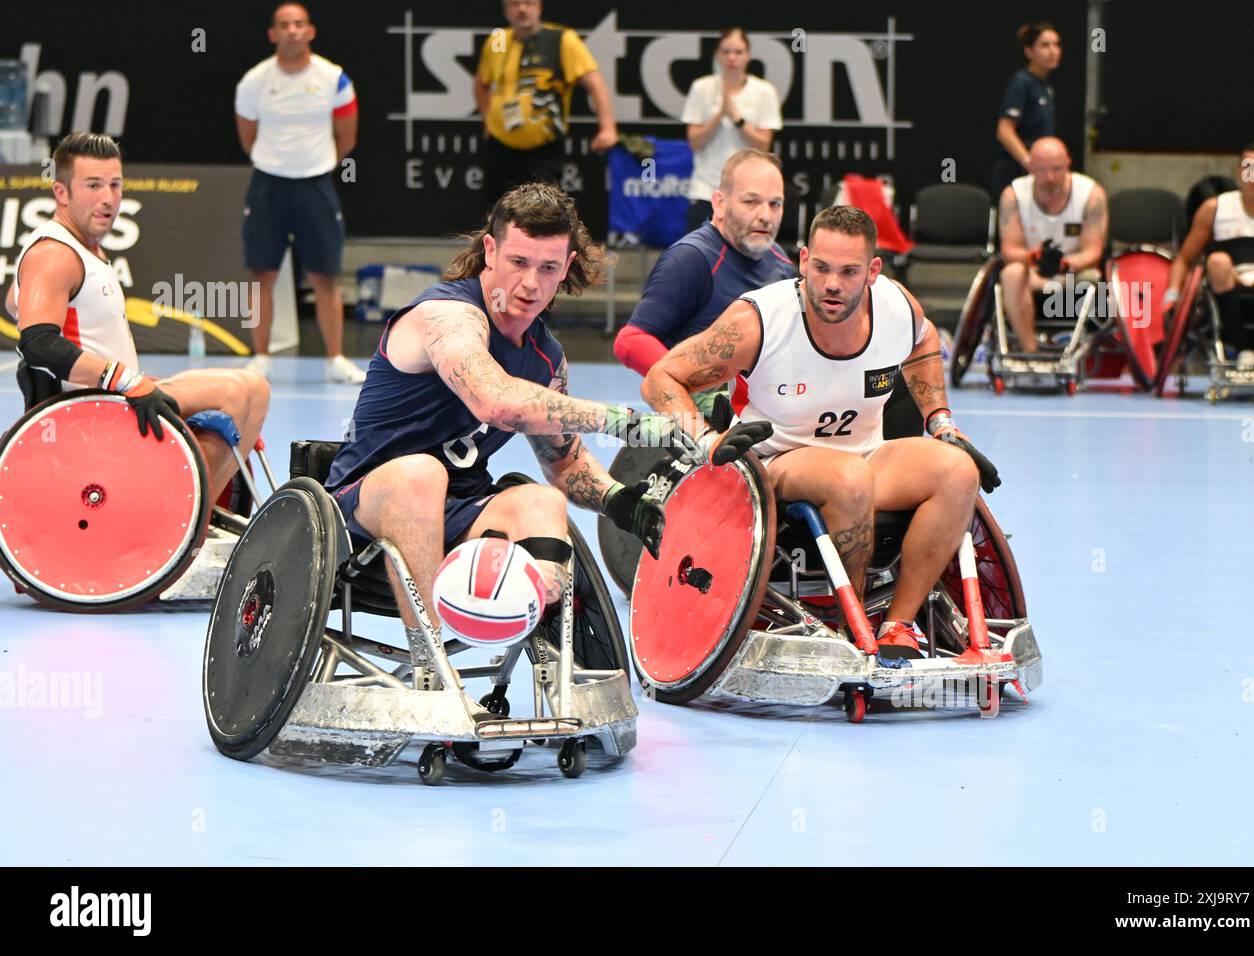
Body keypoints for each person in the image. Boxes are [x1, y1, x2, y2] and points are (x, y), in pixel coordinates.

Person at [324, 183, 760, 643]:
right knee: (421, 474)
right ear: (490, 251)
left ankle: (554, 661)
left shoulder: (547, 359)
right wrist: (627, 422)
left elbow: (566, 463)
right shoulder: (448, 316)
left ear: (566, 267)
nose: (531, 284)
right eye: (519, 262)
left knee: (542, 502)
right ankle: (430, 664)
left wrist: (620, 502)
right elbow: (495, 400)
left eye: (548, 267)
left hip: (460, 513)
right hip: (363, 511)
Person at [642, 205, 1000, 657]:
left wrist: (941, 423)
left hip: (865, 455)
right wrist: (707, 439)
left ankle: (898, 626)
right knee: (849, 479)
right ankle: (852, 626)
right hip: (774, 464)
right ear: (804, 261)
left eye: (849, 272)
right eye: (822, 268)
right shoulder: (758, 322)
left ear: (872, 271)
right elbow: (661, 378)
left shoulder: (897, 307)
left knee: (958, 471)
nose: (833, 284)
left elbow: (924, 341)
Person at [5, 133, 270, 496]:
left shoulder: (78, 247)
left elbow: (14, 302)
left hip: (112, 395)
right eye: (93, 185)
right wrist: (126, 380)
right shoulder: (54, 254)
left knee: (252, 391)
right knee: (241, 393)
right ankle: (185, 514)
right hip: (90, 411)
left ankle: (198, 505)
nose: (107, 198)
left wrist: (126, 378)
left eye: (115, 185)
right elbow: (38, 345)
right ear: (61, 193)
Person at [234, 2, 366, 384]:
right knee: (262, 273)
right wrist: (279, 163)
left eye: (298, 24)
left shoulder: (335, 78)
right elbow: (248, 138)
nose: (292, 30)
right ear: (272, 34)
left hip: (315, 187)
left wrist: (314, 164)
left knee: (325, 276)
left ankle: (335, 359)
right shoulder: (253, 81)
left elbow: (347, 138)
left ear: (310, 31)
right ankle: (261, 358)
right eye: (284, 25)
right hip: (268, 186)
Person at [612, 149, 795, 414]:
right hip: (698, 427)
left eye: (775, 204)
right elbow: (630, 341)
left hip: (761, 419)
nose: (766, 215)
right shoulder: (691, 259)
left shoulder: (782, 264)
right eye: (751, 202)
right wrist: (697, 396)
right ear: (719, 203)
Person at [1168, 141, 1254, 368]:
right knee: (1217, 261)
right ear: (1239, 172)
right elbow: (1184, 258)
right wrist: (1171, 295)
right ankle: (1241, 349)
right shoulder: (1215, 208)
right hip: (1228, 281)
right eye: (1249, 167)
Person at [474, 0, 618, 201]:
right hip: (500, 146)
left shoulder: (562, 39)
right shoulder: (498, 40)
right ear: (506, 11)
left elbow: (596, 84)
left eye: (528, 3)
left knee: (542, 210)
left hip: (544, 149)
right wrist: (488, 120)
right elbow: (481, 83)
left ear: (539, 7)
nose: (522, 9)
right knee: (497, 208)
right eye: (514, 4)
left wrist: (608, 128)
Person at [997, 137, 1108, 353]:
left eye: (1057, 169)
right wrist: (1035, 258)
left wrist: (1063, 264)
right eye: (1041, 169)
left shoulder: (1092, 194)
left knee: (1093, 279)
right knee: (1011, 273)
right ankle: (1030, 353)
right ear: (1030, 166)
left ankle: (1076, 349)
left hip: (1074, 271)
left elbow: (1093, 251)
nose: (1050, 177)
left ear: (1068, 164)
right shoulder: (1013, 195)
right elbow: (1009, 250)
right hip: (1032, 270)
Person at [680, 27, 784, 233]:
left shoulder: (765, 92)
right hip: (705, 190)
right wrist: (720, 114)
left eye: (738, 52)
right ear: (717, 55)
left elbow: (763, 144)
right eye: (726, 52)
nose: (732, 57)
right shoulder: (701, 88)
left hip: (749, 194)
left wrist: (736, 119)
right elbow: (694, 142)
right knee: (698, 250)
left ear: (748, 55)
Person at [990, 22, 1060, 201]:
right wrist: (1029, 162)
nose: (1053, 51)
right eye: (1045, 45)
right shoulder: (1022, 83)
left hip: (1037, 174)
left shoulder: (1046, 88)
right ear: (1029, 51)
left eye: (1056, 44)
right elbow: (1004, 130)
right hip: (1015, 172)